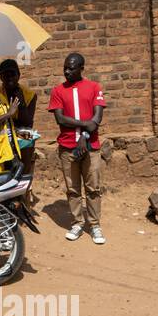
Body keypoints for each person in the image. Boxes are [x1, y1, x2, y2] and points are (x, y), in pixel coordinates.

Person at [49, 53, 106, 244]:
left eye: (71, 68)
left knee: (93, 188)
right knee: (72, 189)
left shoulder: (94, 88)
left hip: (91, 147)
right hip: (67, 148)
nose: (67, 71)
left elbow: (96, 120)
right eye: (65, 67)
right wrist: (84, 125)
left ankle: (95, 225)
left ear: (81, 68)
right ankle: (77, 222)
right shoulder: (58, 91)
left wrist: (84, 137)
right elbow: (60, 118)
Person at [0, 58, 38, 204]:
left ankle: (24, 185)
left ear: (19, 75)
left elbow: (27, 121)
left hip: (22, 131)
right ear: (0, 77)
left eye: (12, 74)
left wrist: (20, 104)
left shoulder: (29, 95)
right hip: (3, 131)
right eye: (5, 75)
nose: (9, 78)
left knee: (29, 139)